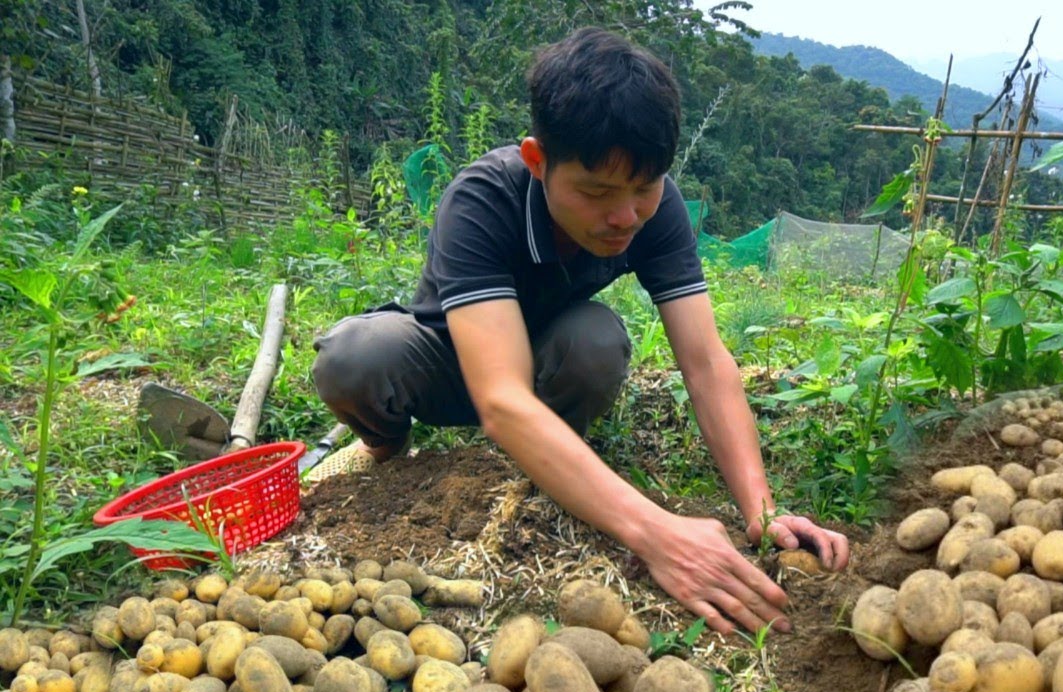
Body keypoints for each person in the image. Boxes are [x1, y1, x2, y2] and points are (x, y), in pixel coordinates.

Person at [311, 27, 849, 635]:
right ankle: (383, 447)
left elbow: (705, 363)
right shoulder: (483, 200)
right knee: (353, 358)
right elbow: (502, 399)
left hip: (544, 363)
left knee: (596, 340)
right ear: (538, 162)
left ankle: (552, 465)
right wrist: (657, 533)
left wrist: (762, 509)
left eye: (643, 190)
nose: (625, 217)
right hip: (449, 362)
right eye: (597, 192)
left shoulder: (657, 209)